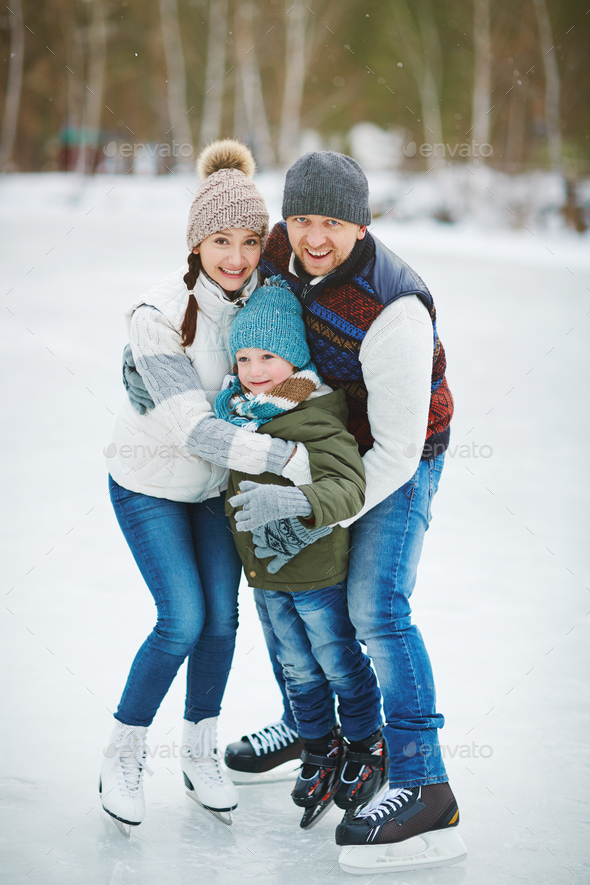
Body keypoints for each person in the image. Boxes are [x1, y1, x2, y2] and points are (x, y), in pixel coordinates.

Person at [123, 150, 466, 872]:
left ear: (361, 224)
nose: (313, 236)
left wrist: (313, 506)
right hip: (315, 439)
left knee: (375, 604)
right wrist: (148, 365)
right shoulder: (278, 250)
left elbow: (399, 452)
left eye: (333, 223)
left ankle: (424, 780)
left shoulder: (394, 306)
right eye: (302, 218)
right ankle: (311, 726)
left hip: (394, 455)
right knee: (285, 593)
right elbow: (215, 289)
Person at [100, 140, 312, 835]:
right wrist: (280, 456)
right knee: (182, 618)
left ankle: (200, 749)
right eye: (221, 239)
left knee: (222, 620)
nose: (237, 255)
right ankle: (124, 752)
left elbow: (297, 367)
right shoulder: (154, 315)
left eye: (251, 240)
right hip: (150, 484)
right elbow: (191, 426)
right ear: (197, 241)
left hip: (215, 490)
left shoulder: (266, 298)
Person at [214, 277, 387, 825]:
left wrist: (294, 503)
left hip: (315, 573)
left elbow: (349, 487)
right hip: (265, 576)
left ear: (294, 357)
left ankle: (365, 744)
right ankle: (318, 748)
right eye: (244, 356)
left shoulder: (314, 414)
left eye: (269, 355)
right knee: (296, 669)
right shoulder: (238, 411)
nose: (255, 368)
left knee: (336, 661)